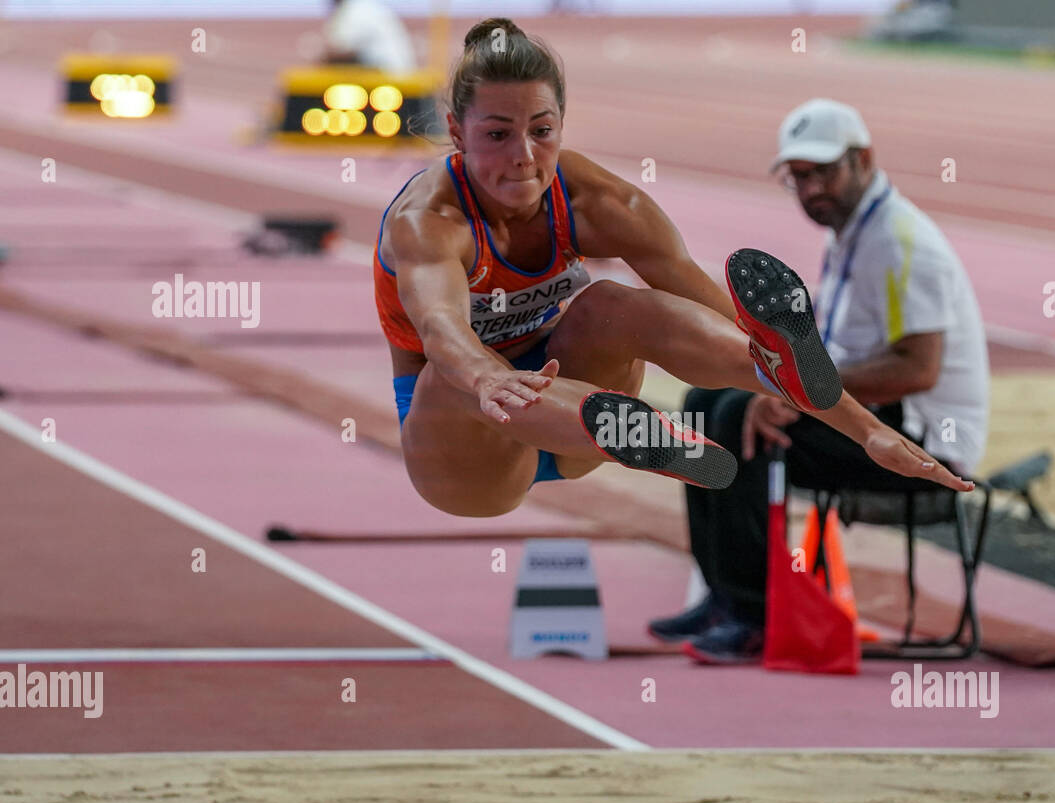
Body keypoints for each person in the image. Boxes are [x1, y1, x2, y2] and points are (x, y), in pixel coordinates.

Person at [375, 20, 972, 519]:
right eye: (497, 135)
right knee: (451, 376)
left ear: (561, 124)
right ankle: (640, 435)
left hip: (572, 388)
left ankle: (647, 428)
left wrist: (868, 432)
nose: (524, 157)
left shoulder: (598, 203)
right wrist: (486, 376)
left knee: (615, 305)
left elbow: (711, 313)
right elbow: (442, 331)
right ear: (456, 132)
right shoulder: (428, 221)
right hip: (471, 450)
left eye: (542, 131)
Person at [649, 98, 990, 665]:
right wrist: (782, 390)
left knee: (734, 420)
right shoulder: (856, 233)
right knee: (703, 400)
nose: (810, 191)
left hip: (925, 441)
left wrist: (794, 398)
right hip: (880, 416)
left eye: (822, 173)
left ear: (863, 159)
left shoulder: (901, 241)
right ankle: (723, 593)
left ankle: (752, 611)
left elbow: (917, 368)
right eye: (798, 178)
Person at [324, 0, 417, 75]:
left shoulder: (356, 9)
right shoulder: (366, 6)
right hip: (391, 75)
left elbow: (340, 52)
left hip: (390, 77)